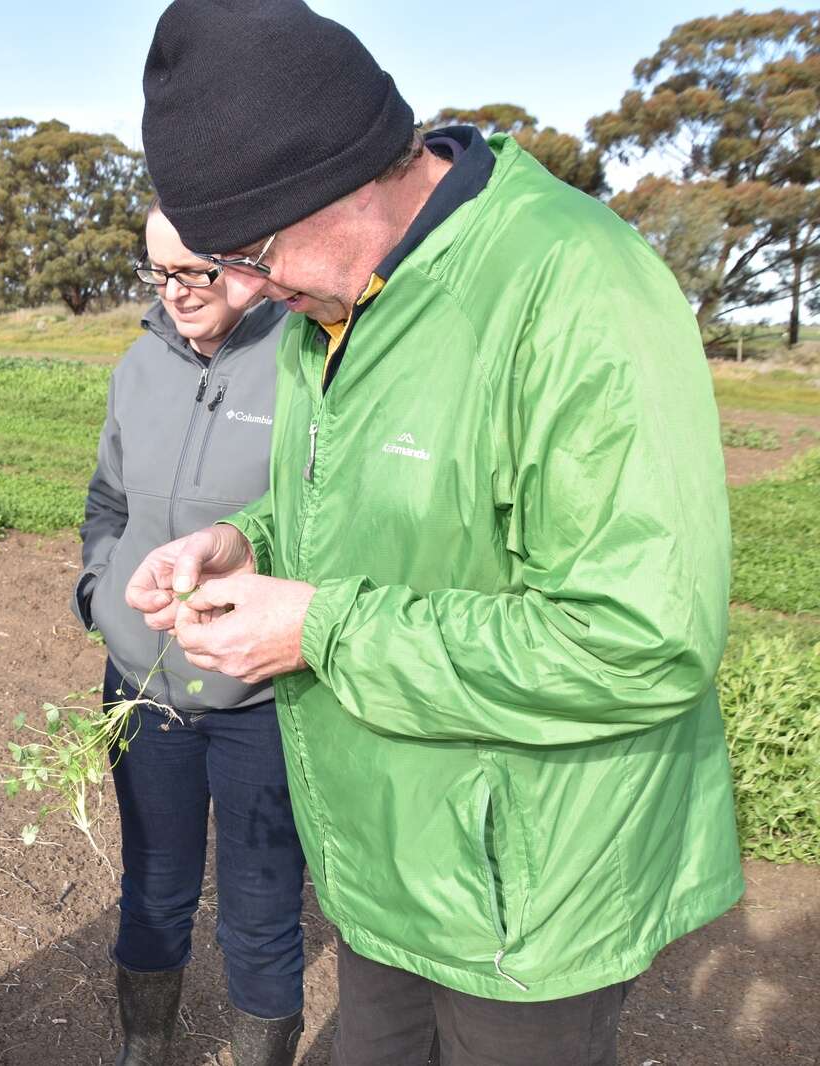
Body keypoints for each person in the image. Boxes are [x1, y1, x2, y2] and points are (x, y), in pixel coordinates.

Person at [128, 2, 744, 1064]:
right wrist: (250, 544)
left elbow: (640, 637)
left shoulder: (573, 287)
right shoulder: (333, 301)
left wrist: (320, 631)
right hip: (397, 857)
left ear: (352, 173)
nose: (239, 291)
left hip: (532, 891)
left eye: (249, 253)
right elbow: (376, 506)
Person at [74, 204, 302, 1066]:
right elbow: (108, 501)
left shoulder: (307, 365)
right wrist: (101, 594)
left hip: (261, 700)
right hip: (140, 687)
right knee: (154, 889)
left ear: (249, 259)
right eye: (157, 274)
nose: (174, 293)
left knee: (261, 908)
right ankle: (146, 1050)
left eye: (194, 272)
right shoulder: (138, 366)